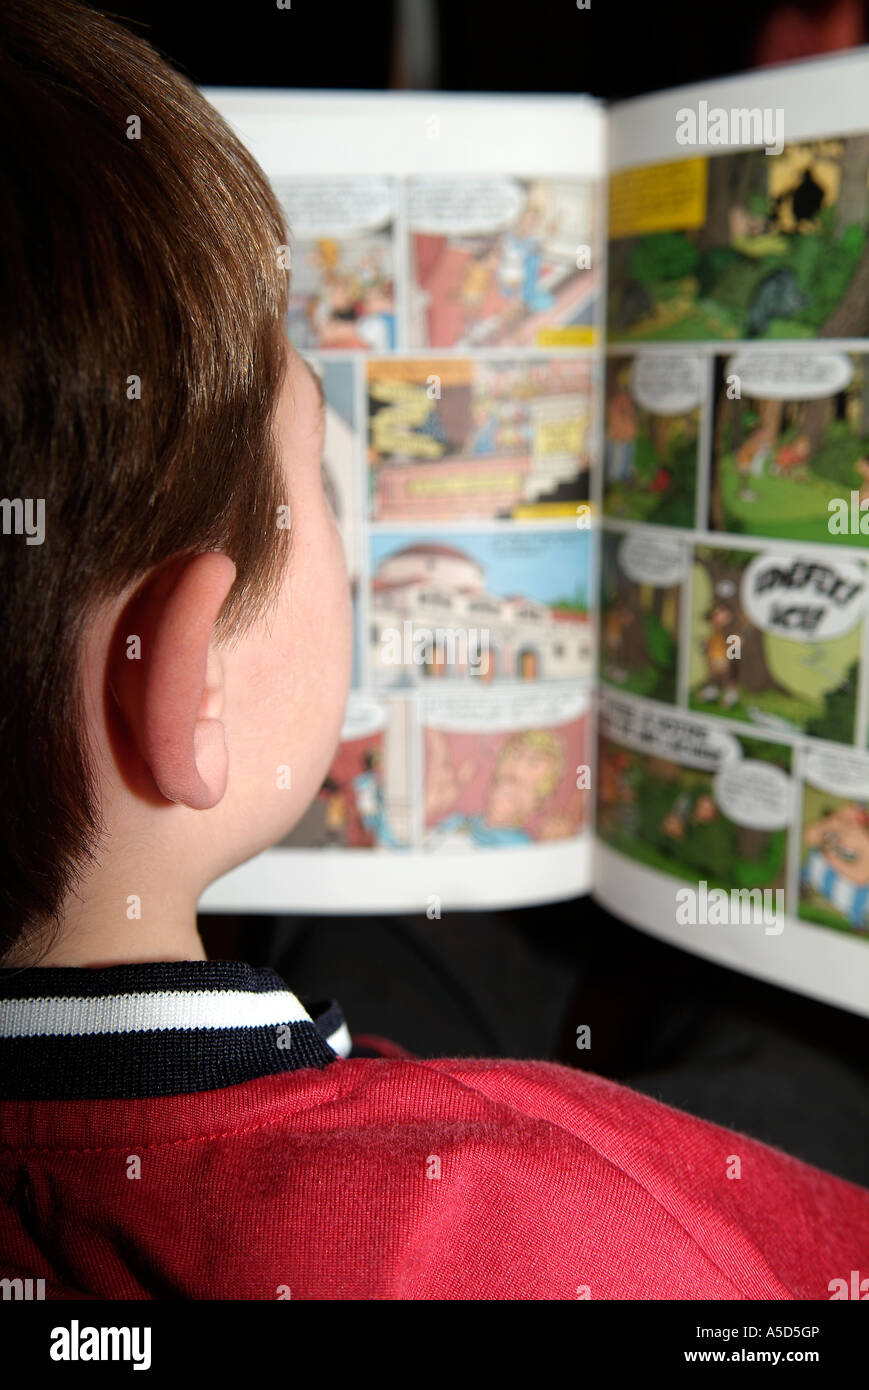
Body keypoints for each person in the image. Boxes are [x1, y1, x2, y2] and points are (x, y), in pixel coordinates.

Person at [0, 0, 867, 1302]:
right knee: (809, 1061)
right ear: (180, 685)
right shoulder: (555, 1237)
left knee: (421, 944)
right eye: (333, 490)